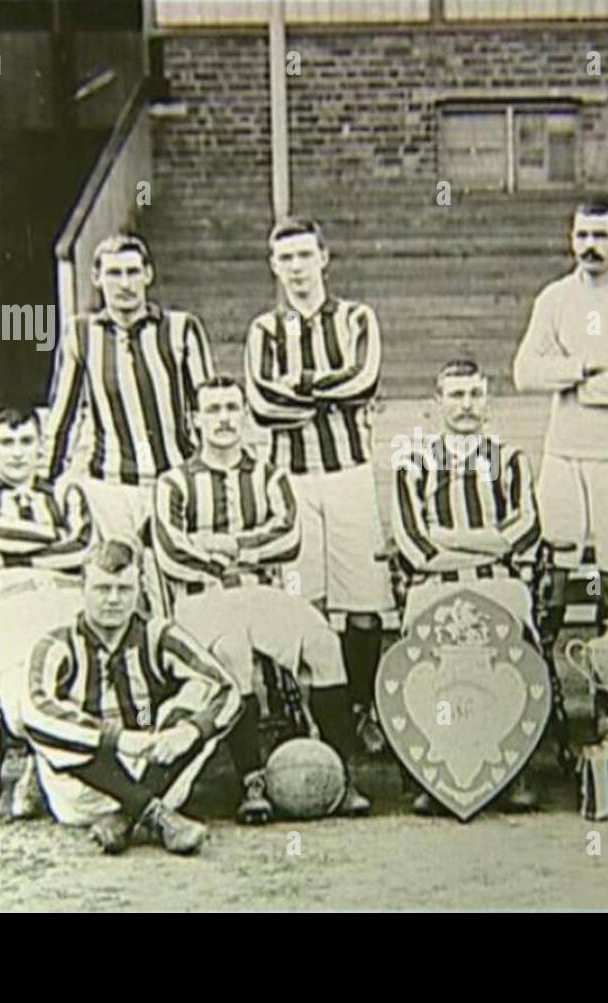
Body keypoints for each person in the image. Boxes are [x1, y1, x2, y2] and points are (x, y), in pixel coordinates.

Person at [152, 375, 372, 823]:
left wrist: (225, 546)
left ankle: (340, 772)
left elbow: (289, 538)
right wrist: (242, 552)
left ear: (246, 417)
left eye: (232, 409)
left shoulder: (270, 474)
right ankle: (251, 779)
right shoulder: (174, 482)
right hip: (202, 600)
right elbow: (172, 552)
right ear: (195, 420)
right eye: (213, 410)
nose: (224, 420)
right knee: (233, 651)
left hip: (262, 591)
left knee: (324, 641)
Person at [242, 217, 393, 753]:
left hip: (350, 472)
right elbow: (262, 407)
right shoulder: (264, 330)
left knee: (363, 603)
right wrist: (329, 390)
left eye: (305, 255)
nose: (297, 267)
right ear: (274, 266)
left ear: (324, 257)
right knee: (300, 599)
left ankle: (361, 709)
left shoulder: (356, 318)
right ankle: (302, 711)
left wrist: (299, 385)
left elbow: (365, 382)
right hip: (291, 480)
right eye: (286, 259)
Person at [512, 199, 608, 660]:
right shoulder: (554, 298)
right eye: (581, 235)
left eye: (600, 236)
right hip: (563, 452)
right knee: (554, 562)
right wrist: (583, 366)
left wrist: (570, 384)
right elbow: (524, 373)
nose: (589, 246)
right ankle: (541, 684)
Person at [22, 540, 240, 855]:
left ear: (138, 588)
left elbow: (227, 689)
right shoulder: (57, 644)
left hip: (153, 771)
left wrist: (188, 731)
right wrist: (117, 739)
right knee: (50, 718)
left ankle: (127, 817)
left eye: (124, 589)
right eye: (102, 589)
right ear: (82, 589)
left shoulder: (157, 635)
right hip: (83, 788)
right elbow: (34, 712)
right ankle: (149, 813)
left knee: (199, 694)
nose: (113, 600)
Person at [391, 359, 543, 814]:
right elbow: (416, 547)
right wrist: (489, 542)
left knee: (510, 652)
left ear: (488, 401)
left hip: (500, 584)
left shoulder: (511, 460)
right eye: (455, 396)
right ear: (437, 403)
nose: (466, 406)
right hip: (432, 584)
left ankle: (511, 769)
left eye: (474, 395)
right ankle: (432, 772)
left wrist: (450, 538)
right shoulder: (413, 463)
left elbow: (526, 533)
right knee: (427, 660)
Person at [40, 233, 214, 613]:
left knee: (180, 590)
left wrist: (207, 478)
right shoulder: (81, 333)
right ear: (97, 278)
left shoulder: (181, 328)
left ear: (148, 275)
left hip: (173, 481)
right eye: (114, 273)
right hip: (112, 488)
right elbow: (61, 417)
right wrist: (43, 483)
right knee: (125, 587)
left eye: (133, 272)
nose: (124, 283)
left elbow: (209, 409)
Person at [0, 405, 93, 818]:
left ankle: (41, 766)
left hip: (64, 599)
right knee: (22, 683)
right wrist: (51, 541)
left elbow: (82, 546)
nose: (17, 453)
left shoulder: (65, 493)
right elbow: (3, 529)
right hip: (9, 607)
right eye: (6, 443)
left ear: (41, 445)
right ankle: (43, 765)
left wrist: (8, 560)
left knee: (83, 665)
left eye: (27, 441)